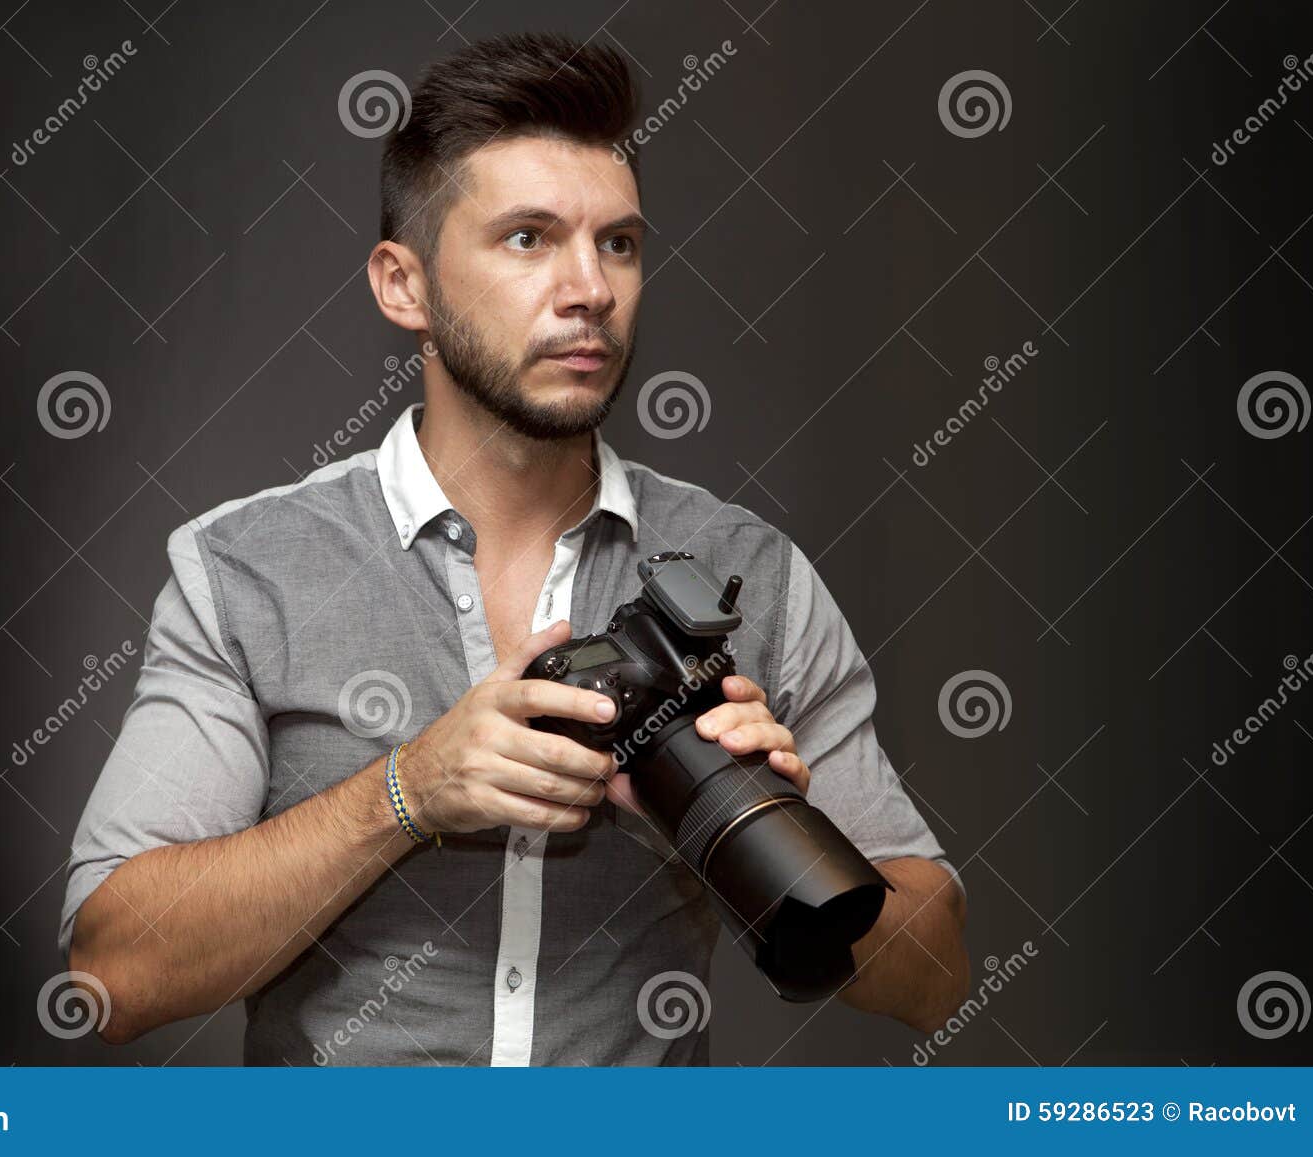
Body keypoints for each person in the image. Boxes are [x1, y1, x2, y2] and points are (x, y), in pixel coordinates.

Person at [59, 31, 968, 1065]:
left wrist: (767, 829)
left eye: (617, 243)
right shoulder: (246, 570)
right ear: (403, 286)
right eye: (529, 238)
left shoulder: (753, 573)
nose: (591, 289)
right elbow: (112, 974)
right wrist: (408, 792)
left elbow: (936, 974)